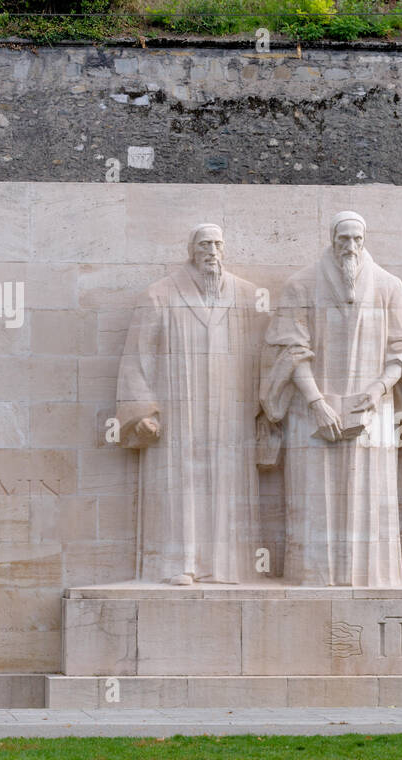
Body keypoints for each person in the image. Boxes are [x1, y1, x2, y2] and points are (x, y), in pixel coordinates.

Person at [260, 210, 402, 586]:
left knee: (370, 499)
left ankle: (372, 576)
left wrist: (378, 390)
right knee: (315, 499)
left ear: (364, 240)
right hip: (311, 412)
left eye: (356, 239)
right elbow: (289, 349)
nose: (349, 246)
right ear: (332, 239)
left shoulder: (388, 286)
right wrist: (317, 403)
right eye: (343, 239)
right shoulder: (301, 285)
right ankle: (315, 576)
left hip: (373, 412)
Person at [115, 223, 262, 585]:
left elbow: (265, 356)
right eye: (204, 245)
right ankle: (179, 564)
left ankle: (226, 564)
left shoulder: (246, 296)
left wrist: (266, 413)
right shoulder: (160, 295)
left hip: (230, 412)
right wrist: (143, 411)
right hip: (178, 412)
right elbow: (137, 357)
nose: (212, 251)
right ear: (191, 250)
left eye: (217, 244)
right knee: (181, 485)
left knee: (227, 481)